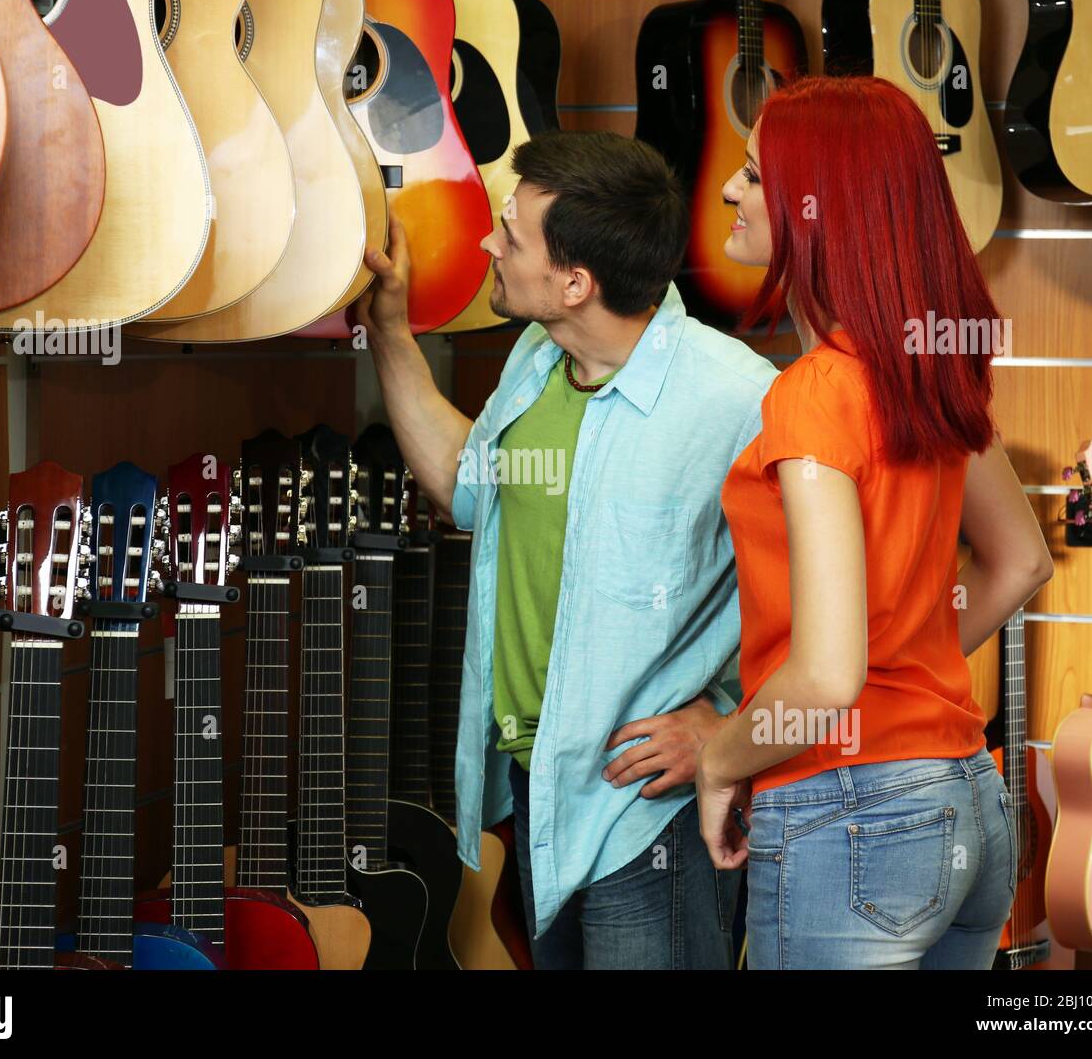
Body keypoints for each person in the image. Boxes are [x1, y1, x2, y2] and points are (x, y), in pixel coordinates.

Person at [354, 130, 777, 968]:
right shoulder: (538, 356)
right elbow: (469, 485)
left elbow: (846, 600)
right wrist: (392, 334)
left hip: (647, 811)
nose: (488, 244)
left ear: (576, 282)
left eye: (510, 236)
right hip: (536, 790)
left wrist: (732, 728)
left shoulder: (738, 398)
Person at [695, 75, 1054, 969]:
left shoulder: (814, 393)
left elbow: (825, 675)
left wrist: (721, 759)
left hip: (852, 816)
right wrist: (898, 671)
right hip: (966, 796)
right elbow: (1021, 561)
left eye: (754, 174)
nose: (732, 189)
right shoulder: (924, 371)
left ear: (822, 209)